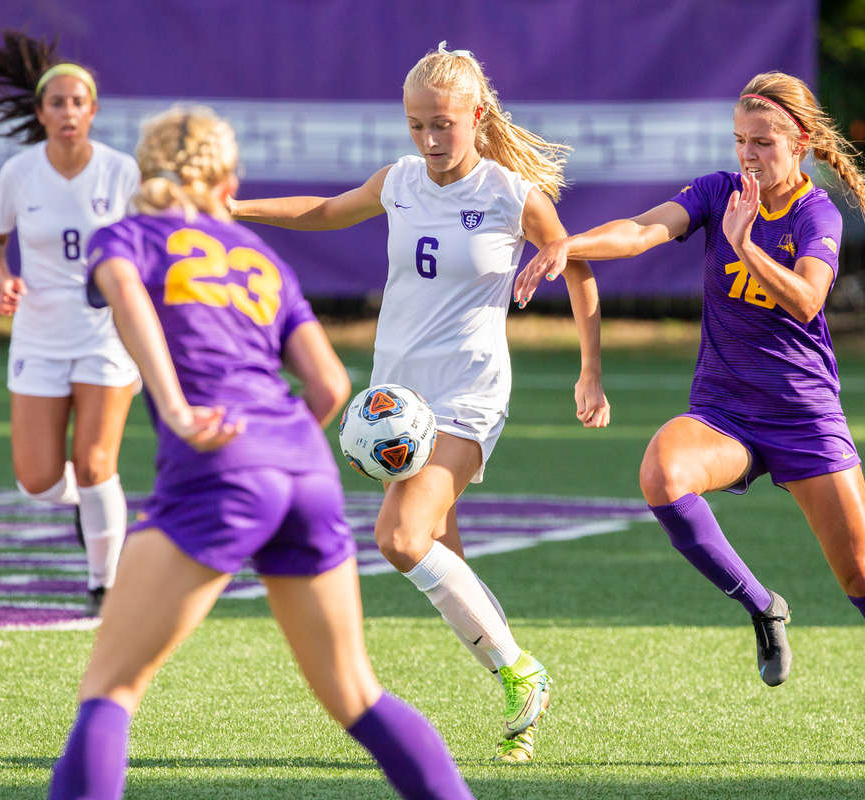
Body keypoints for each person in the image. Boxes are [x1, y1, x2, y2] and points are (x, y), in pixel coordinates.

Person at [514, 71, 865, 770]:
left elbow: (806, 300)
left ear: (803, 144)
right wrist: (568, 246)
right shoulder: (717, 192)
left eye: (763, 142)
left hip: (803, 416)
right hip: (725, 411)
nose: (748, 155)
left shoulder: (815, 215)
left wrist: (748, 245)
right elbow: (643, 231)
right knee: (661, 474)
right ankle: (764, 607)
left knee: (862, 574)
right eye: (740, 141)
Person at [47, 105, 475, 800]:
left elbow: (124, 291)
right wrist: (278, 443)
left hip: (221, 465)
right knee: (357, 695)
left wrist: (183, 413)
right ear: (225, 182)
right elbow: (332, 383)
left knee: (110, 689)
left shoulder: (127, 236)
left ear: (148, 173)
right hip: (305, 467)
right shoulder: (261, 258)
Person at [230, 41, 610, 763]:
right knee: (442, 554)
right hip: (398, 399)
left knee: (401, 539)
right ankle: (516, 683)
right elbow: (323, 211)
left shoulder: (508, 192)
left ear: (476, 115)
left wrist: (590, 368)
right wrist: (236, 207)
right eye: (417, 125)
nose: (430, 141)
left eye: (443, 124)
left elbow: (575, 261)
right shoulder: (401, 181)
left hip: (468, 395)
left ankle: (526, 676)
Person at [0, 31, 140, 616]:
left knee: (94, 464)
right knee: (36, 480)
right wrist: (1, 278)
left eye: (77, 102)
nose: (67, 112)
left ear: (93, 111)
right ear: (39, 113)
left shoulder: (121, 172)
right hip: (37, 334)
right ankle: (92, 508)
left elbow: (148, 245)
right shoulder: (19, 172)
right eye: (56, 102)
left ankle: (103, 587)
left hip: (105, 335)